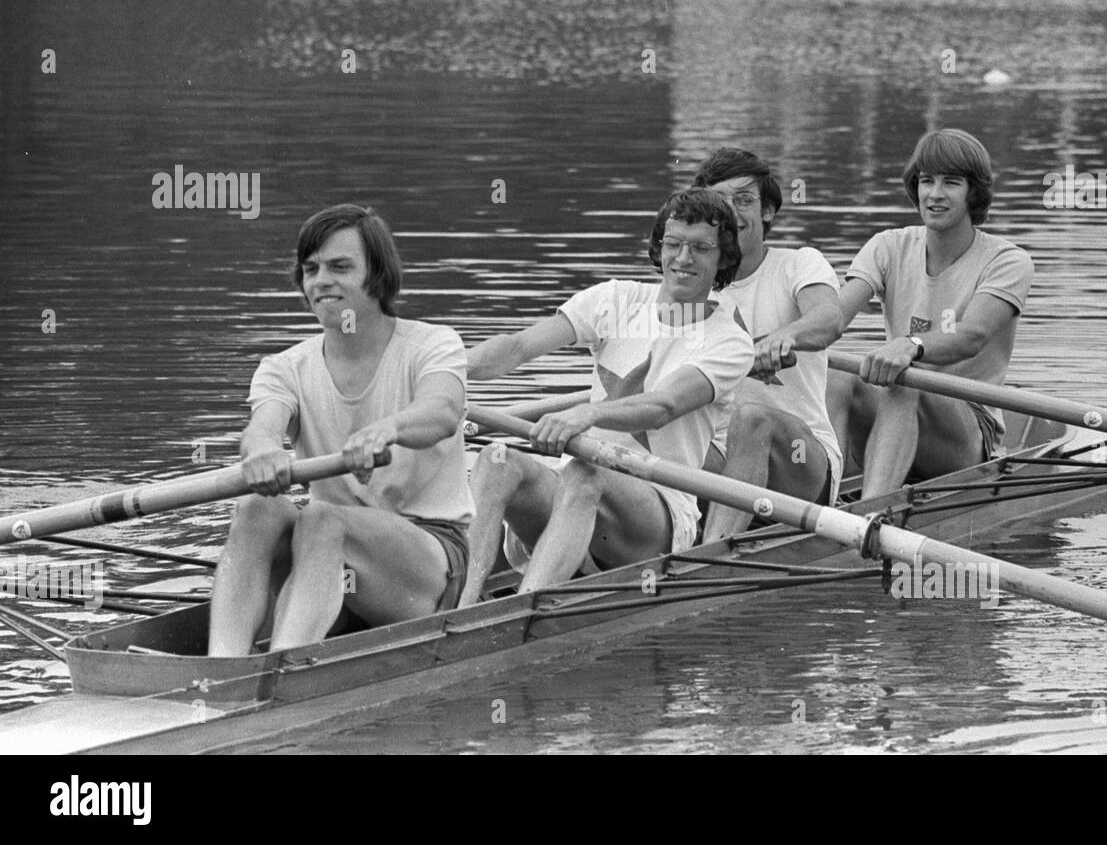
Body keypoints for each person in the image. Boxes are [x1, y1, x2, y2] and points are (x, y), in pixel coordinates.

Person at [457, 188, 754, 605]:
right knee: (496, 459)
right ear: (659, 247)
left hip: (658, 514)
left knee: (586, 470)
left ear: (723, 258)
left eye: (701, 248)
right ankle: (459, 608)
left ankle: (523, 612)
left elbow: (663, 406)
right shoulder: (615, 300)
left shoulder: (729, 342)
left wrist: (587, 414)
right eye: (674, 244)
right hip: (573, 494)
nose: (683, 259)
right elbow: (518, 347)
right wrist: (448, 369)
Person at [208, 205, 474, 656]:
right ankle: (222, 669)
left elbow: (443, 410)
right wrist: (263, 451)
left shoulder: (433, 344)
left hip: (428, 564)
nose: (320, 281)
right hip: (329, 554)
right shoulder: (283, 368)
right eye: (311, 269)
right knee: (257, 507)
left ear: (379, 274)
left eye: (339, 267)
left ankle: (282, 669)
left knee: (322, 517)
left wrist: (390, 428)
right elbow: (262, 428)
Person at [829, 128, 1034, 500]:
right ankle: (817, 502)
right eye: (927, 181)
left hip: (969, 434)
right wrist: (782, 339)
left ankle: (867, 514)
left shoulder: (1009, 260)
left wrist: (911, 345)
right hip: (900, 399)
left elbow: (972, 336)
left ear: (974, 192)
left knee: (908, 382)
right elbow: (833, 320)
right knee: (837, 377)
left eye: (951, 183)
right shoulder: (888, 246)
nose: (935, 194)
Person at [692, 148, 844, 544]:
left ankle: (708, 559)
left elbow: (830, 319)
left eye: (743, 201)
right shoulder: (689, 287)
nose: (732, 214)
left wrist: (785, 336)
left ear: (768, 212)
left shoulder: (800, 264)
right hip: (722, 464)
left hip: (800, 464)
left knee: (752, 418)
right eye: (720, 204)